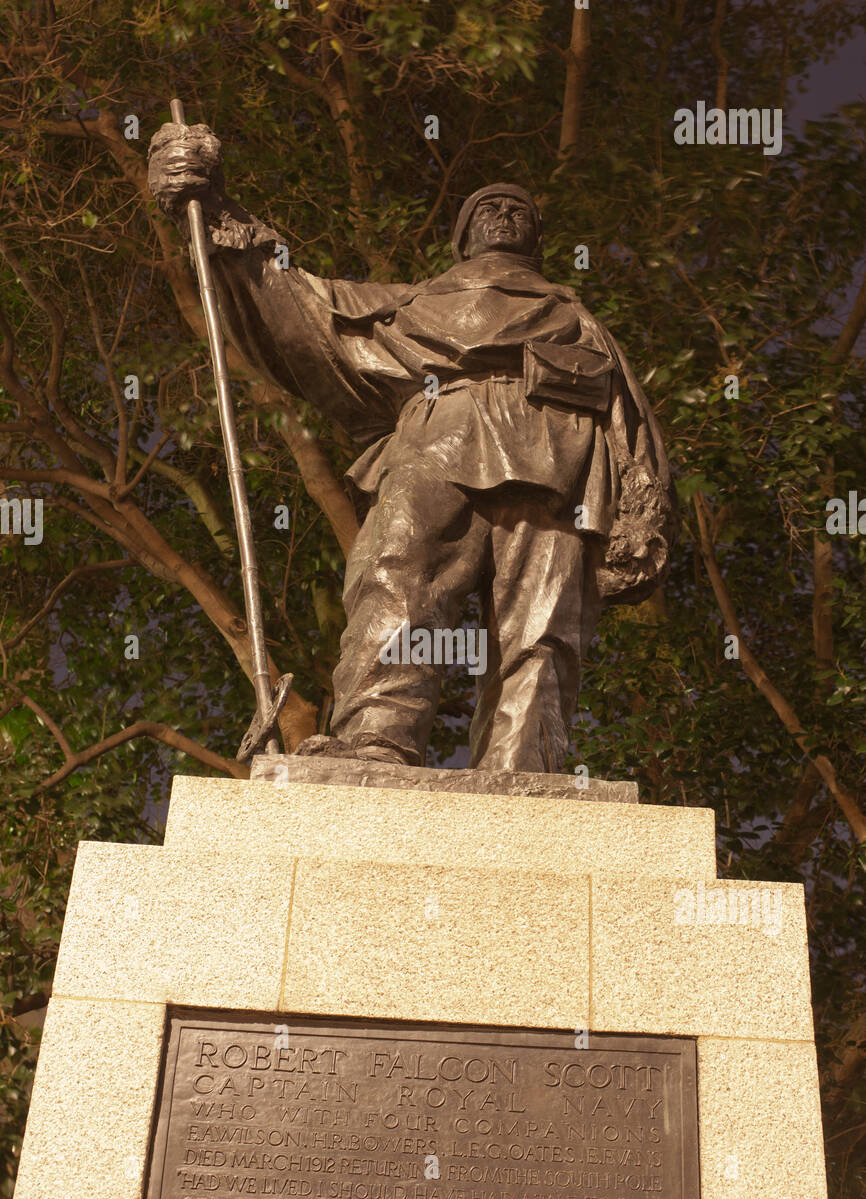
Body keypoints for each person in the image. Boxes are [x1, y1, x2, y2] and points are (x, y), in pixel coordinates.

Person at [148, 122, 677, 772]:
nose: (505, 213)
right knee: (397, 585)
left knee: (542, 625)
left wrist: (640, 519)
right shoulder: (405, 308)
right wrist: (215, 213)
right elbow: (300, 305)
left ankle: (526, 762)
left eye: (518, 210)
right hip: (436, 449)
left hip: (557, 470)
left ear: (538, 239)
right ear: (462, 238)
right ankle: (371, 742)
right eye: (488, 207)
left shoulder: (580, 321)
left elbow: (632, 425)